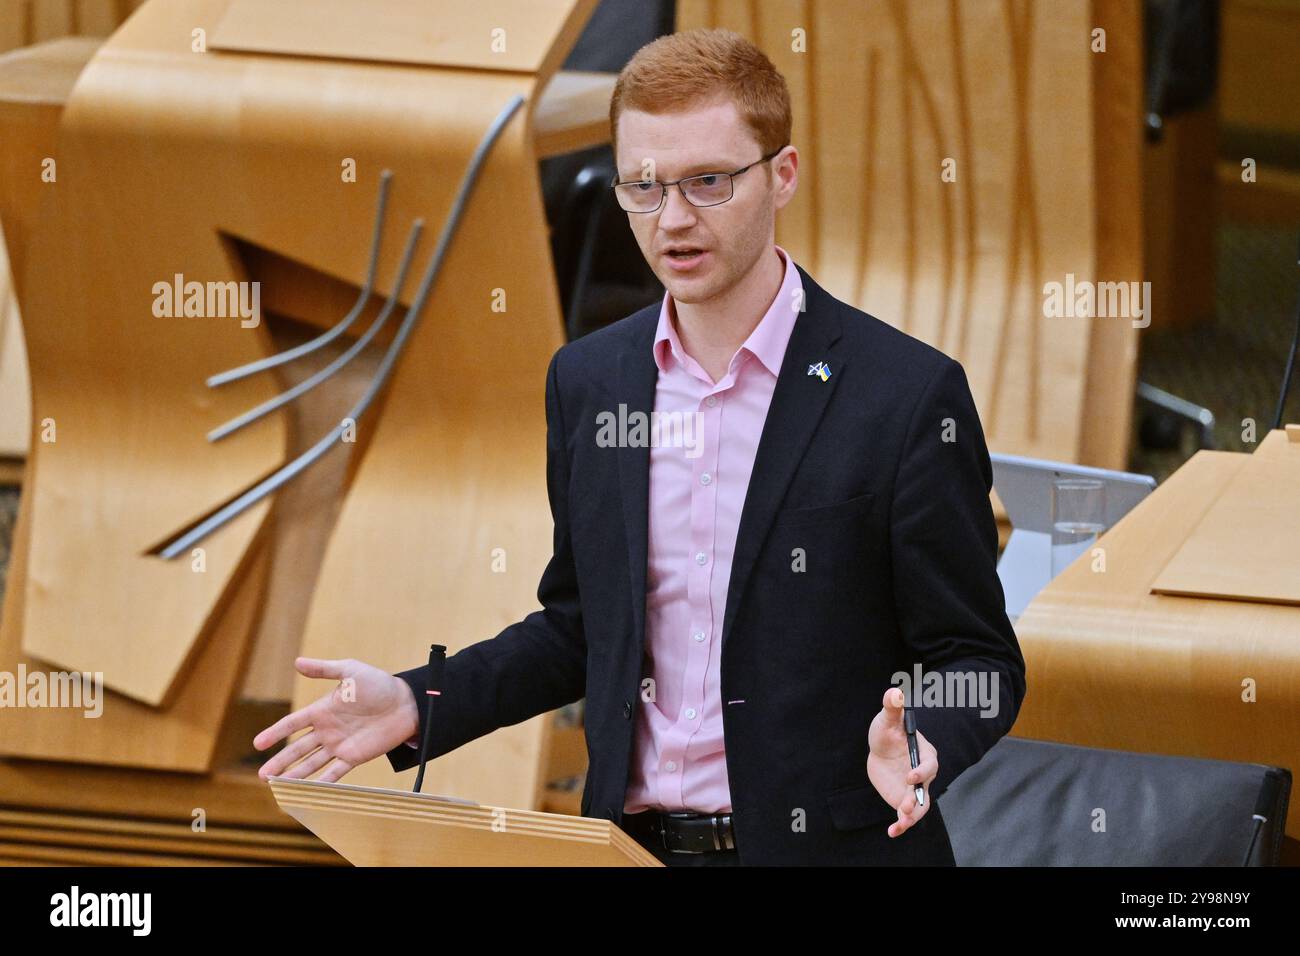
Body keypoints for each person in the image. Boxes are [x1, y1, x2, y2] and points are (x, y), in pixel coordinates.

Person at [255, 27, 1026, 866]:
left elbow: (977, 656)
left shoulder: (905, 396)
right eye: (644, 187)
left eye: (708, 181)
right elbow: (583, 629)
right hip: (629, 850)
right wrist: (418, 700)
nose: (675, 220)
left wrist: (925, 736)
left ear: (784, 174)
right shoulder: (591, 381)